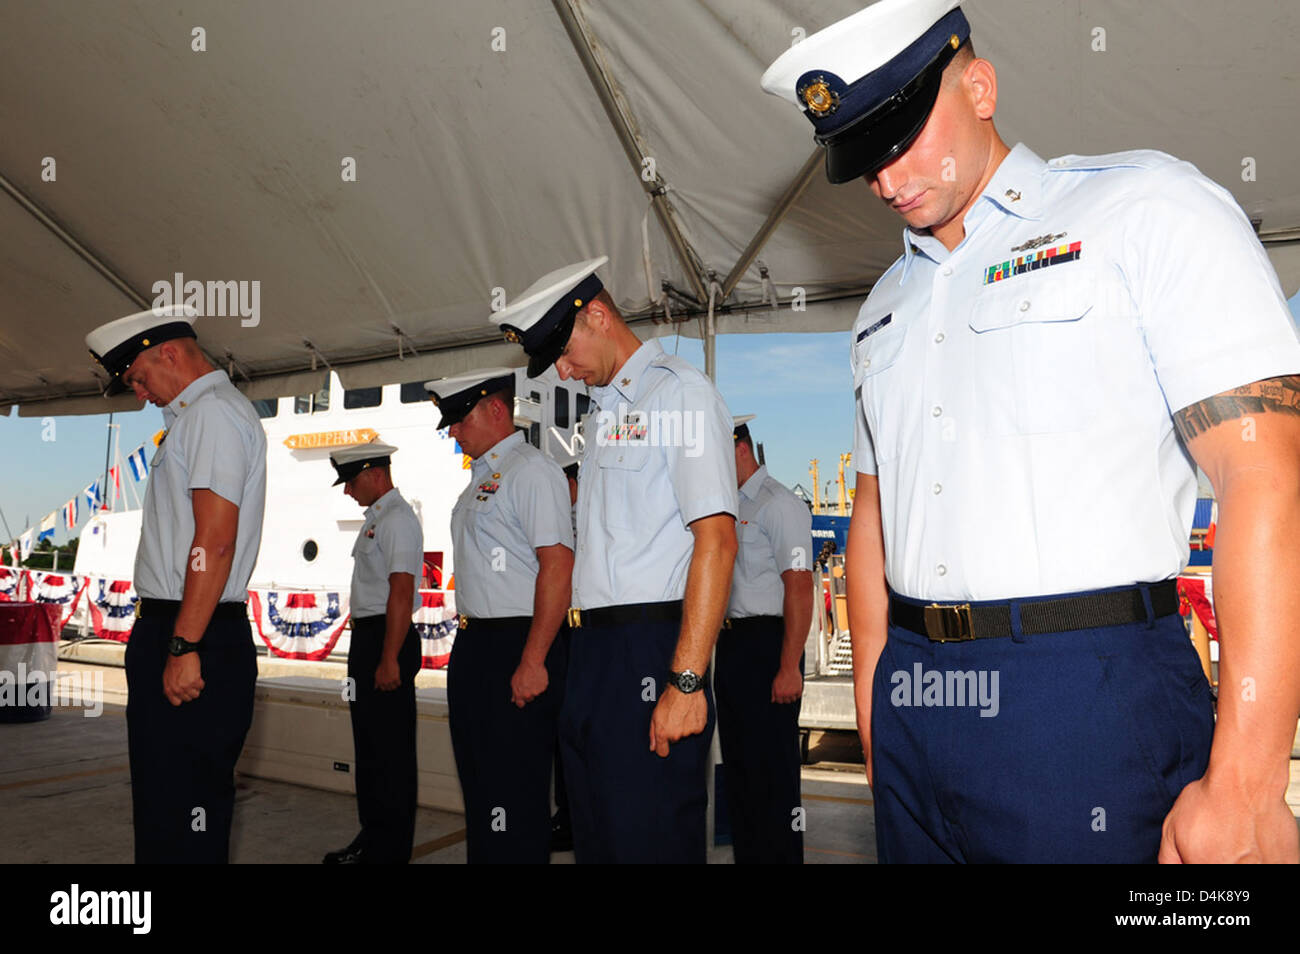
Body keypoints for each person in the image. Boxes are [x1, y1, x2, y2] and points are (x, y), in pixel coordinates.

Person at [761, 0, 1300, 863]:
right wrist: (876, 702)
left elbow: (1266, 475)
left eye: (903, 140)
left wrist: (1246, 783)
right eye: (865, 159)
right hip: (915, 695)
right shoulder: (883, 308)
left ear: (980, 87)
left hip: (1084, 694)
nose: (888, 180)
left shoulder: (1142, 211)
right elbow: (874, 511)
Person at [491, 256, 738, 863]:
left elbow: (717, 540)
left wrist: (686, 680)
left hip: (651, 650)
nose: (565, 374)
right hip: (593, 657)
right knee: (599, 838)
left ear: (597, 315)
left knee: (649, 837)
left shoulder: (678, 394)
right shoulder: (604, 416)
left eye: (566, 356)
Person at [85, 305, 266, 863]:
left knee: (185, 815)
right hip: (181, 626)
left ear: (169, 352)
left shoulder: (211, 416)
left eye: (138, 378)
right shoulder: (196, 419)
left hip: (193, 630)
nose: (139, 394)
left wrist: (184, 644)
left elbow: (212, 542)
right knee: (167, 810)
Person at [426, 368, 573, 863]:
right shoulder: (481, 480)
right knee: (482, 786)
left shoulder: (532, 471)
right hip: (476, 647)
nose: (452, 431)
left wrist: (534, 660)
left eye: (459, 419)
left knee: (515, 789)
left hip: (517, 644)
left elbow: (557, 565)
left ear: (494, 409)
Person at [323, 441, 423, 864]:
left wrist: (388, 657)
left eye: (351, 481)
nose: (347, 491)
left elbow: (401, 591)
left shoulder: (398, 519)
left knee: (390, 753)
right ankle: (373, 836)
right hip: (369, 638)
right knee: (369, 747)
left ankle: (389, 849)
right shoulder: (377, 521)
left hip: (387, 637)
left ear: (375, 473)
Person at [718, 416, 812, 863]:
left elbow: (799, 585)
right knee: (740, 773)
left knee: (773, 777)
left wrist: (790, 665)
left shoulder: (780, 505)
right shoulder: (727, 506)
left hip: (769, 646)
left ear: (740, 450)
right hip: (734, 648)